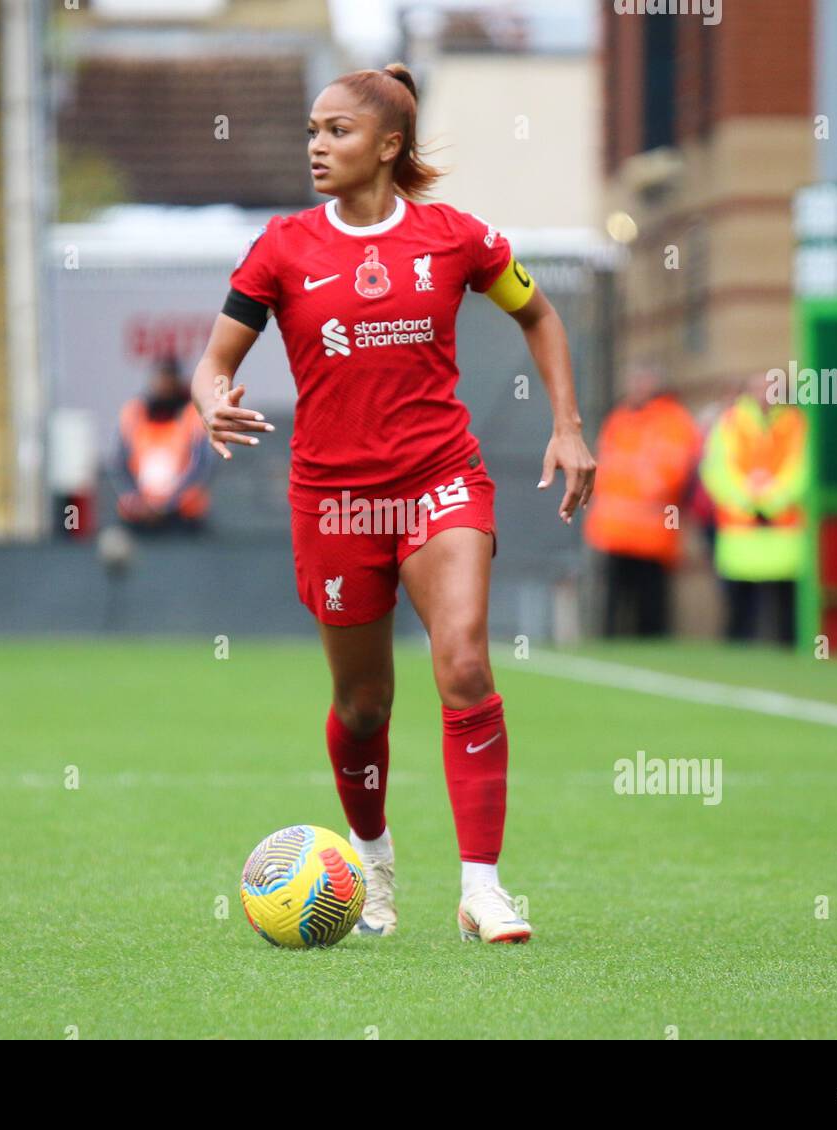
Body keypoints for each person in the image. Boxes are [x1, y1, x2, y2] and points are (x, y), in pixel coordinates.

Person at [190, 64, 596, 943]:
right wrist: (210, 395)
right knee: (364, 702)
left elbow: (541, 316)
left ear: (388, 145)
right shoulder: (282, 247)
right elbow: (214, 358)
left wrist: (566, 425)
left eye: (336, 131)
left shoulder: (460, 238)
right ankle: (370, 862)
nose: (317, 147)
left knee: (464, 667)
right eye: (311, 131)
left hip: (439, 479)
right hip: (335, 501)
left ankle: (483, 888)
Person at [584, 364, 701, 636]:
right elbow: (606, 464)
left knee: (651, 601)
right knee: (614, 601)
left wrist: (645, 483)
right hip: (614, 527)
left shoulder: (672, 420)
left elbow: (673, 470)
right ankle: (612, 640)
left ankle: (651, 642)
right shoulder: (620, 418)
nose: (636, 388)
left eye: (642, 381)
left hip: (651, 530)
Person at [700, 372, 808, 645]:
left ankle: (788, 650)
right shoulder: (730, 423)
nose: (764, 394)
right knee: (739, 603)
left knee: (786, 604)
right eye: (759, 388)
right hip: (741, 529)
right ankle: (737, 653)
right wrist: (749, 498)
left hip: (782, 529)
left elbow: (802, 469)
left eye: (770, 388)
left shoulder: (795, 423)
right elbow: (716, 469)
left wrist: (772, 498)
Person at [113, 356, 212, 533]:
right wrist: (138, 501)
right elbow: (120, 464)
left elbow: (201, 467)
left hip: (182, 517)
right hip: (139, 516)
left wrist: (167, 504)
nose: (164, 385)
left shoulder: (193, 414)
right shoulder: (134, 412)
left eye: (169, 379)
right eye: (161, 378)